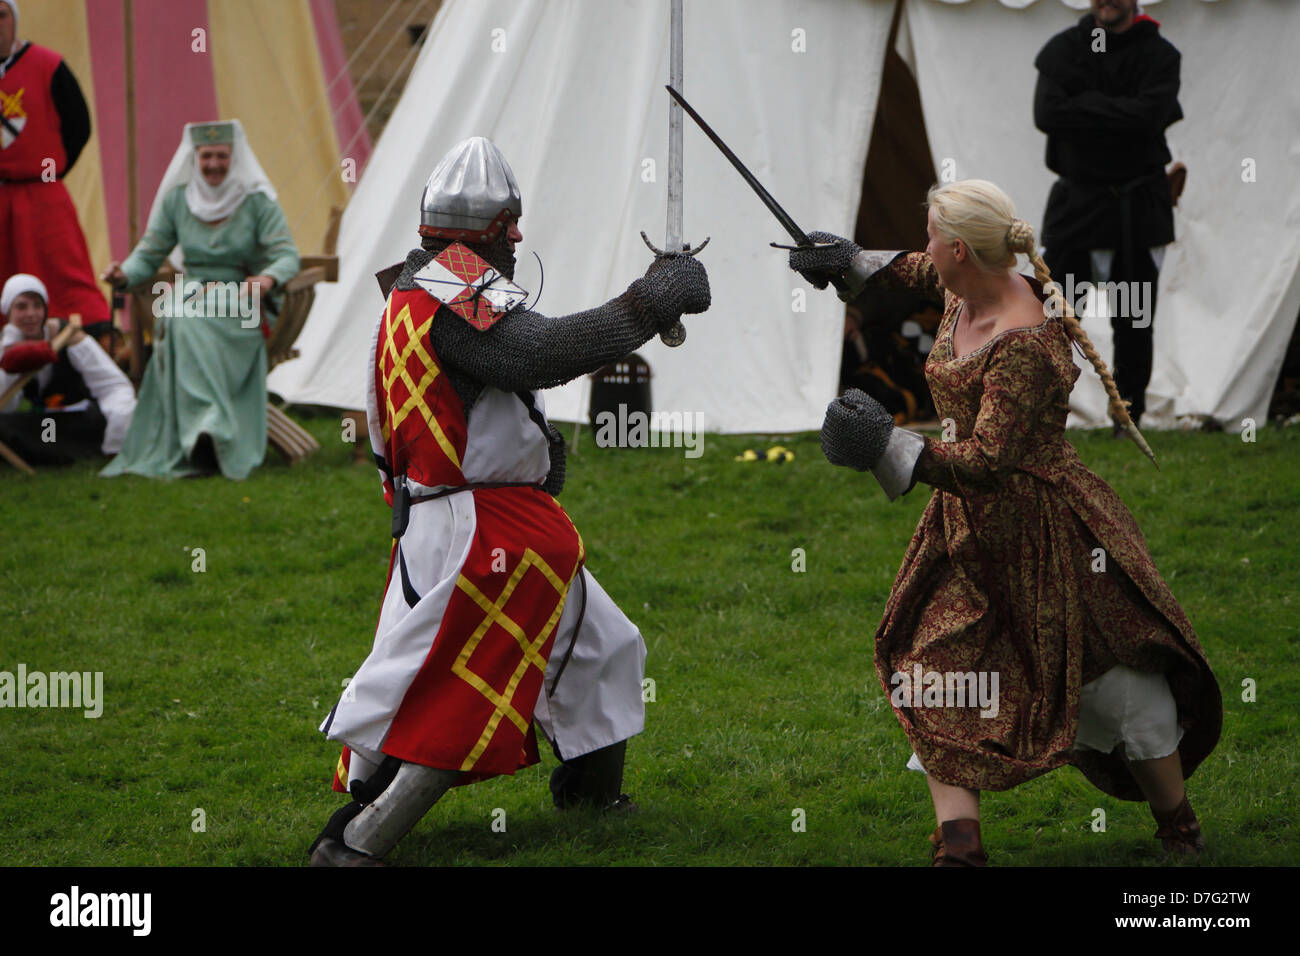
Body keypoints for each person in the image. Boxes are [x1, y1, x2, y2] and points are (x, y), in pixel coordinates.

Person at [788, 179, 1220, 866]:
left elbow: (988, 461)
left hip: (1048, 533)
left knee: (1110, 681)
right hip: (964, 531)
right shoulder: (966, 278)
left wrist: (886, 445)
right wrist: (846, 262)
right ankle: (960, 849)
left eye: (933, 233)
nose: (927, 245)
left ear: (961, 246)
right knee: (933, 669)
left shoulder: (1023, 343)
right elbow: (915, 270)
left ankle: (1179, 827)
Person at [309, 137, 711, 866]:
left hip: (471, 516)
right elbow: (543, 353)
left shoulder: (412, 281)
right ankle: (357, 844)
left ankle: (591, 800)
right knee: (466, 686)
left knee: (604, 647)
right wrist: (651, 301)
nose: (518, 236)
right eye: (507, 224)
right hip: (478, 530)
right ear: (481, 232)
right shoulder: (453, 288)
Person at [99, 120, 299, 479]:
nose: (213, 164)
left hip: (242, 298)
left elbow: (287, 255)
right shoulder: (178, 199)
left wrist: (267, 278)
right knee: (177, 316)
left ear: (233, 157)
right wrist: (124, 274)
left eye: (221, 155)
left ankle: (208, 430)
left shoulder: (256, 201)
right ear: (194, 157)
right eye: (206, 156)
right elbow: (149, 252)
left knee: (180, 318)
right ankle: (202, 433)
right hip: (192, 293)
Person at [1034, 0, 1182, 427]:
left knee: (1133, 321)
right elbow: (1047, 114)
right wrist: (1122, 112)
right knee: (1056, 320)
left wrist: (1083, 108)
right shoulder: (1064, 49)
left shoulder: (1159, 55)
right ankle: (1043, 420)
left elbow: (1150, 117)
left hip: (1136, 208)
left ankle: (1127, 416)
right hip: (1077, 208)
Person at [0, 0, 111, 339]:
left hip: (42, 193)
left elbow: (78, 126)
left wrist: (48, 171)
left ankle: (82, 345)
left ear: (14, 20)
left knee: (63, 274)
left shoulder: (47, 65)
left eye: (1, 15)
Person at [0, 272, 135, 464]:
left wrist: (117, 438)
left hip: (80, 419)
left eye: (37, 306)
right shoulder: (8, 345)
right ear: (8, 311)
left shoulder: (69, 336)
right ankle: (50, 452)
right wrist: (13, 352)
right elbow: (6, 405)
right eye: (21, 307)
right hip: (45, 423)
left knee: (85, 425)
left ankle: (54, 452)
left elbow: (113, 386)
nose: (30, 314)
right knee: (9, 426)